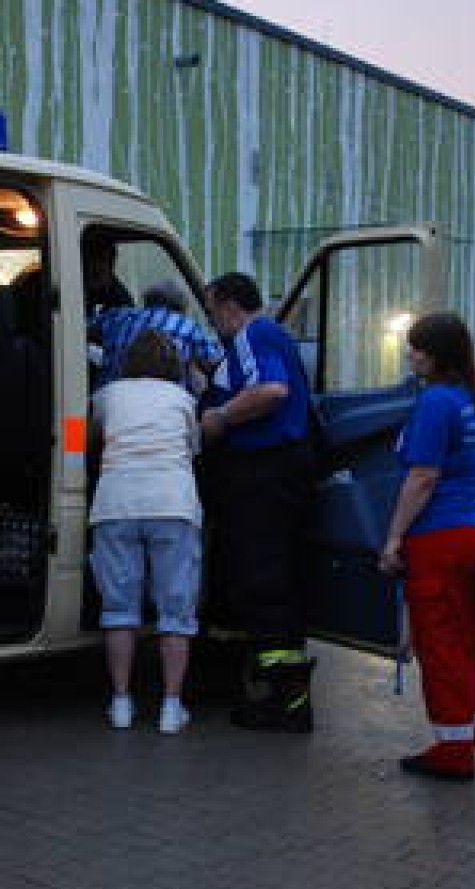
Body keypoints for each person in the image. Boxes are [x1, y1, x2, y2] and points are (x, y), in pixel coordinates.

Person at [378, 311, 475, 781]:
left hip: (440, 539)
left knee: (441, 645)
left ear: (436, 356)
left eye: (417, 349)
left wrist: (393, 538)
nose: (410, 355)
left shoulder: (435, 402)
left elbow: (423, 476)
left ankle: (453, 751)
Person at [198, 271, 320, 733]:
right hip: (271, 475)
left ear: (229, 304)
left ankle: (286, 700)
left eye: (212, 312)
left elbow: (272, 391)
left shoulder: (255, 331)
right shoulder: (248, 344)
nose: (213, 322)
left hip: (265, 474)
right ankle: (249, 684)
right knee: (252, 577)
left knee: (264, 580)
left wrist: (220, 417)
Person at [89, 329, 203, 735]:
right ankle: (171, 708)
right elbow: (193, 448)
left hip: (115, 502)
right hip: (173, 503)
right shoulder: (183, 399)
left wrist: (70, 456)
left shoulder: (108, 395)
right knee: (176, 611)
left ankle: (121, 702)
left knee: (119, 609)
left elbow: (78, 432)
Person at [88, 280, 223, 392]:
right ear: (181, 307)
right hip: (167, 416)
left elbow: (78, 332)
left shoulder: (116, 317)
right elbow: (217, 366)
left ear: (147, 300)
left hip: (108, 411)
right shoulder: (187, 327)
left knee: (75, 420)